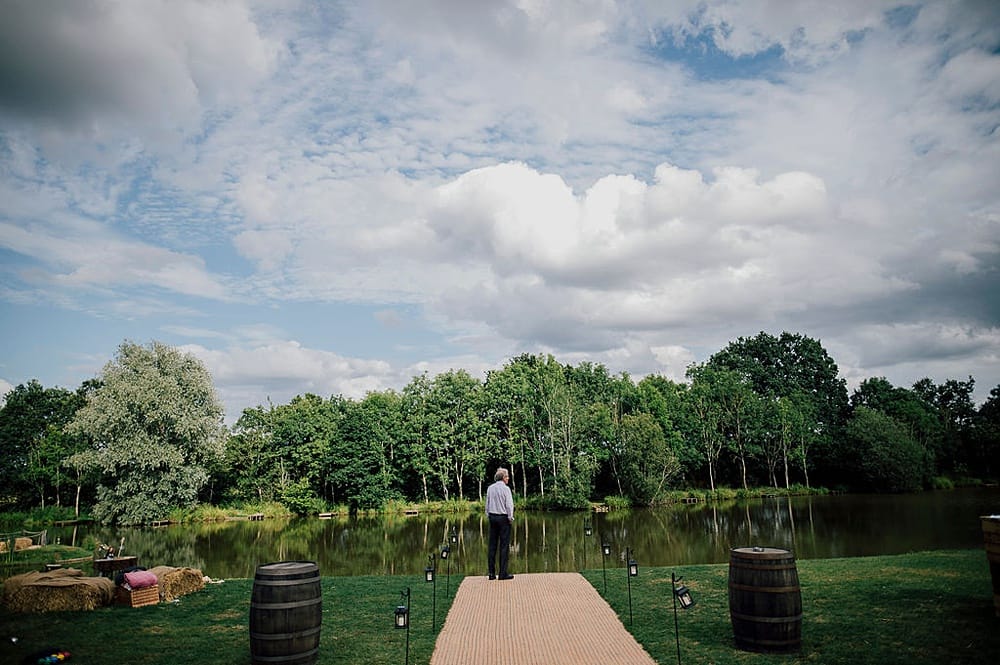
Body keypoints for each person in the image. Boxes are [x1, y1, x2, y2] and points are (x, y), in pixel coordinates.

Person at [485, 467, 514, 580]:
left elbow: (487, 503)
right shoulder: (506, 489)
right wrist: (510, 517)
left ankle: (491, 573)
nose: (508, 479)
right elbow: (509, 505)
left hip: (493, 517)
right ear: (503, 477)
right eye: (507, 477)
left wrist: (488, 515)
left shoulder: (490, 488)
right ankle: (503, 573)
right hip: (503, 518)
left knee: (492, 545)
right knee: (504, 546)